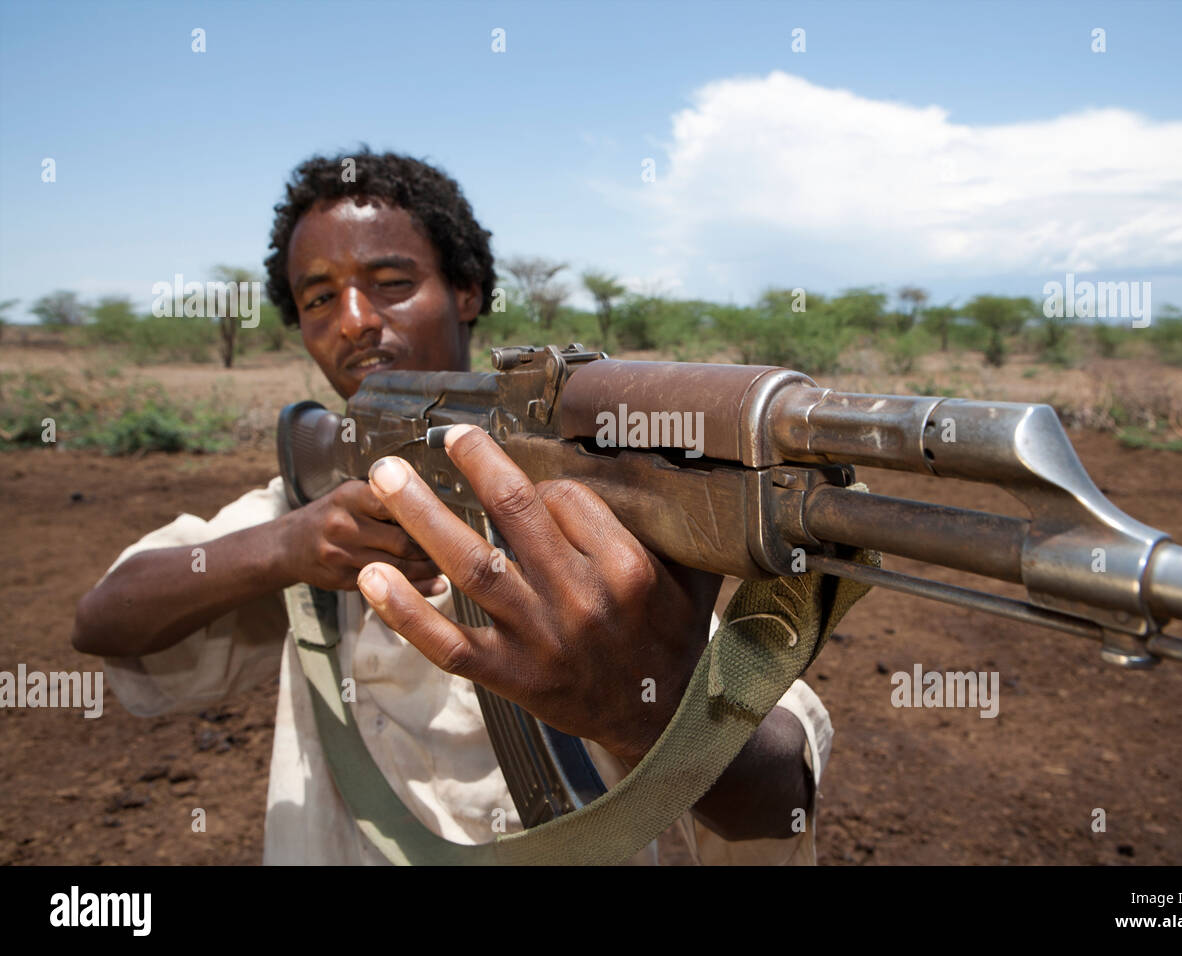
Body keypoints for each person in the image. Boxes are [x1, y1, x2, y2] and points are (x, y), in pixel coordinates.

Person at [72, 149, 834, 865]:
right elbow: (104, 619)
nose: (354, 320)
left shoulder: (584, 483)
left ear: (466, 290)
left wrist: (653, 716)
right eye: (317, 298)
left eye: (392, 283)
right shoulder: (308, 500)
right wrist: (289, 546)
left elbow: (777, 798)